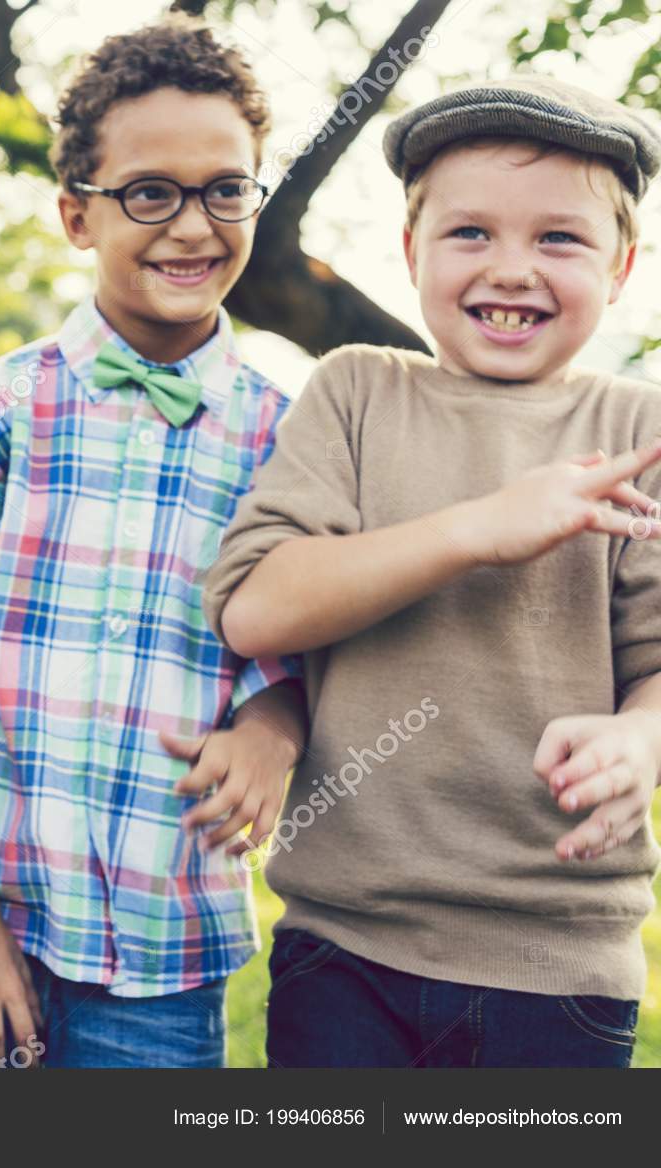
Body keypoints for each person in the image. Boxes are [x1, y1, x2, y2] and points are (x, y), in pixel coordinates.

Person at [0, 16, 307, 1068]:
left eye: (224, 189)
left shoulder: (286, 427)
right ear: (75, 214)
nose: (191, 226)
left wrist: (275, 729)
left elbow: (297, 647)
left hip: (160, 952)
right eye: (149, 192)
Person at [204, 77, 661, 1068]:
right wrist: (481, 528)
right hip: (345, 950)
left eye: (558, 239)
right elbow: (256, 608)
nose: (512, 269)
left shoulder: (638, 430)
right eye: (469, 234)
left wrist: (641, 739)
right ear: (410, 250)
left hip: (561, 964)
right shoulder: (357, 392)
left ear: (621, 265)